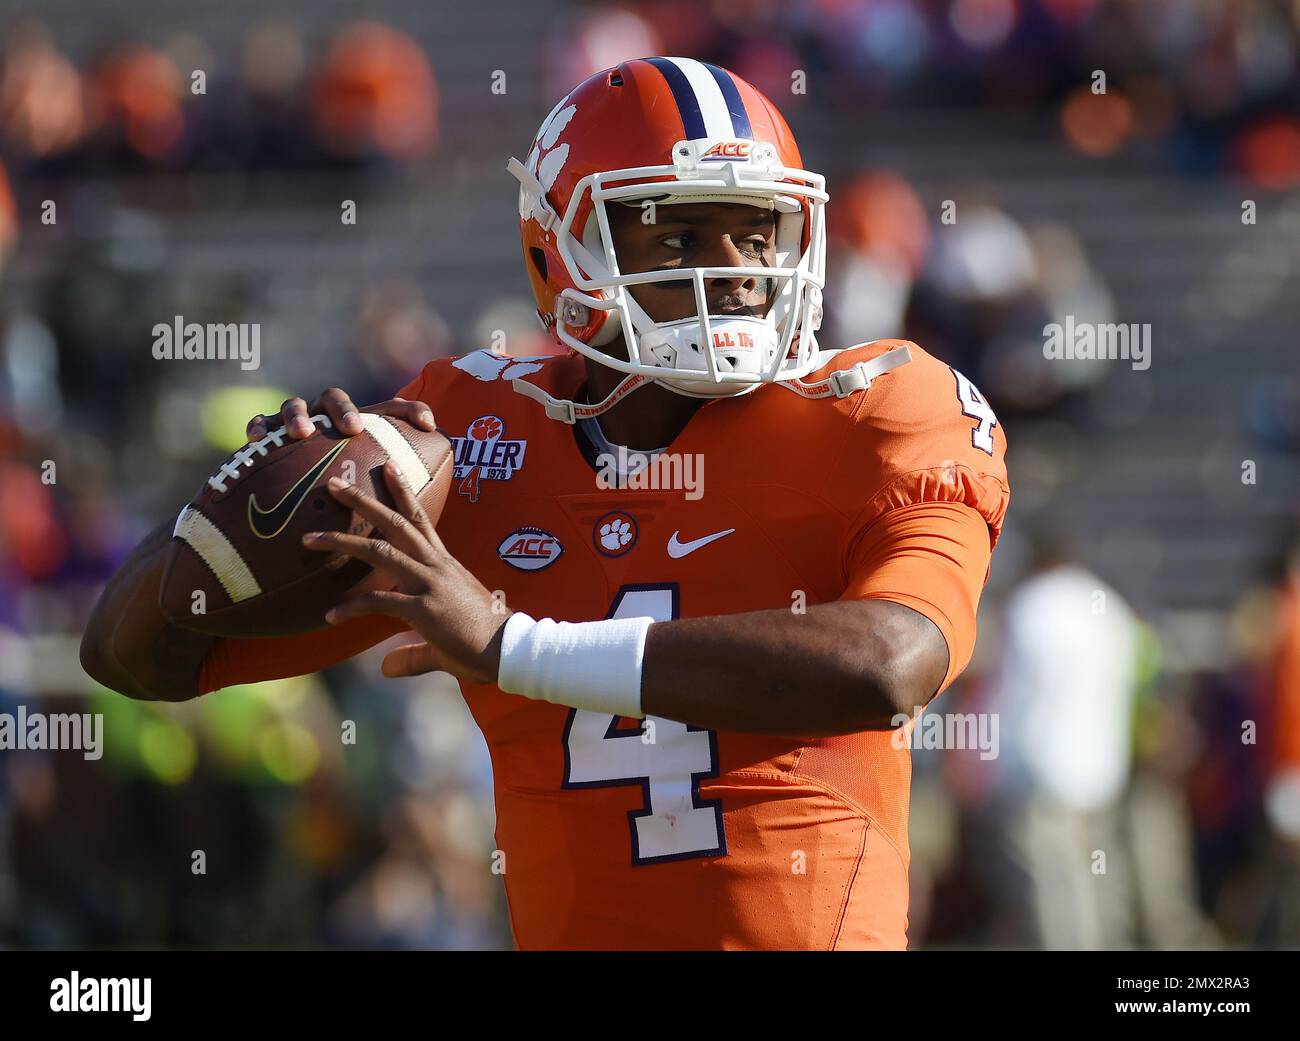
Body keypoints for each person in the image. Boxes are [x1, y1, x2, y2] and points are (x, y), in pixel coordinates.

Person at [81, 57, 1010, 950]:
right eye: (679, 235)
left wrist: (507, 644)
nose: (732, 269)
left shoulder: (881, 407)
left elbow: (891, 662)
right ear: (560, 252)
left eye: (757, 233)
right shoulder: (473, 432)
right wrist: (244, 501)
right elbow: (139, 655)